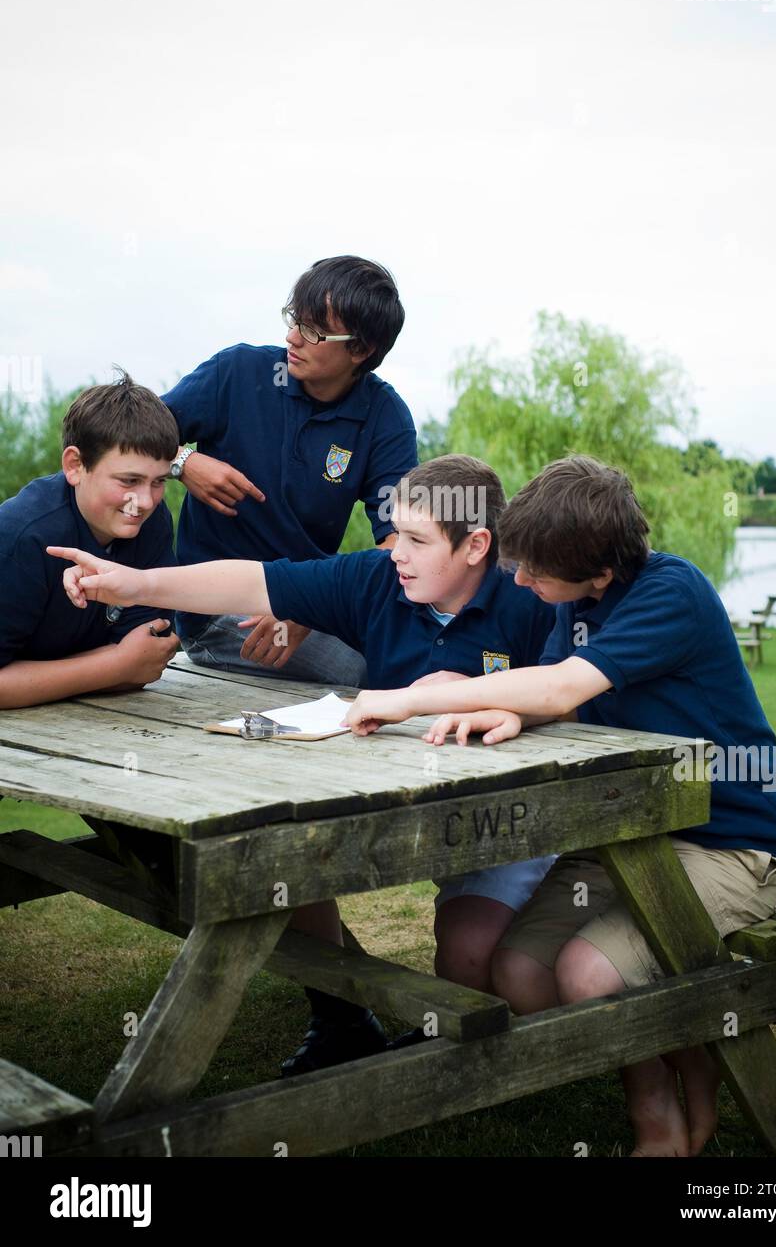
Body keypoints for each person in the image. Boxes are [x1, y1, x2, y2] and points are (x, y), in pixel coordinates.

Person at [338, 455, 776, 1158]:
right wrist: (511, 713)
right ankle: (685, 1048)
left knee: (587, 974)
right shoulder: (576, 602)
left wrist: (405, 698)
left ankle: (662, 1119)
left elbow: (559, 687)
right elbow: (561, 695)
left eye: (533, 573)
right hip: (625, 835)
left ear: (600, 571)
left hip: (729, 843)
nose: (517, 582)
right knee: (519, 973)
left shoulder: (671, 593)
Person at [47, 455, 557, 1074]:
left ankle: (490, 1059)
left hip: (506, 816)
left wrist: (493, 698)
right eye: (396, 533)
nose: (397, 551)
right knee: (285, 856)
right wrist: (136, 584)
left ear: (477, 545)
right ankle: (343, 1017)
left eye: (418, 541)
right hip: (405, 798)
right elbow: (253, 582)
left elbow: (577, 697)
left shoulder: (534, 594)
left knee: (470, 963)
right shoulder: (378, 577)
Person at [161, 255, 416, 687]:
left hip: (304, 607)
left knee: (413, 656)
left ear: (361, 349)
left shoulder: (386, 417)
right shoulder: (236, 372)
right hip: (217, 607)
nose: (292, 337)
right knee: (362, 670)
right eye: (294, 319)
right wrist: (182, 461)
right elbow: (121, 434)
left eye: (314, 330)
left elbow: (399, 543)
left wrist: (310, 607)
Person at [0, 372, 180, 710]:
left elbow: (147, 657)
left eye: (159, 482)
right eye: (129, 480)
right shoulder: (22, 536)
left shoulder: (151, 522)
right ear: (75, 466)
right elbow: (129, 664)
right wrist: (114, 665)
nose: (145, 501)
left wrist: (125, 664)